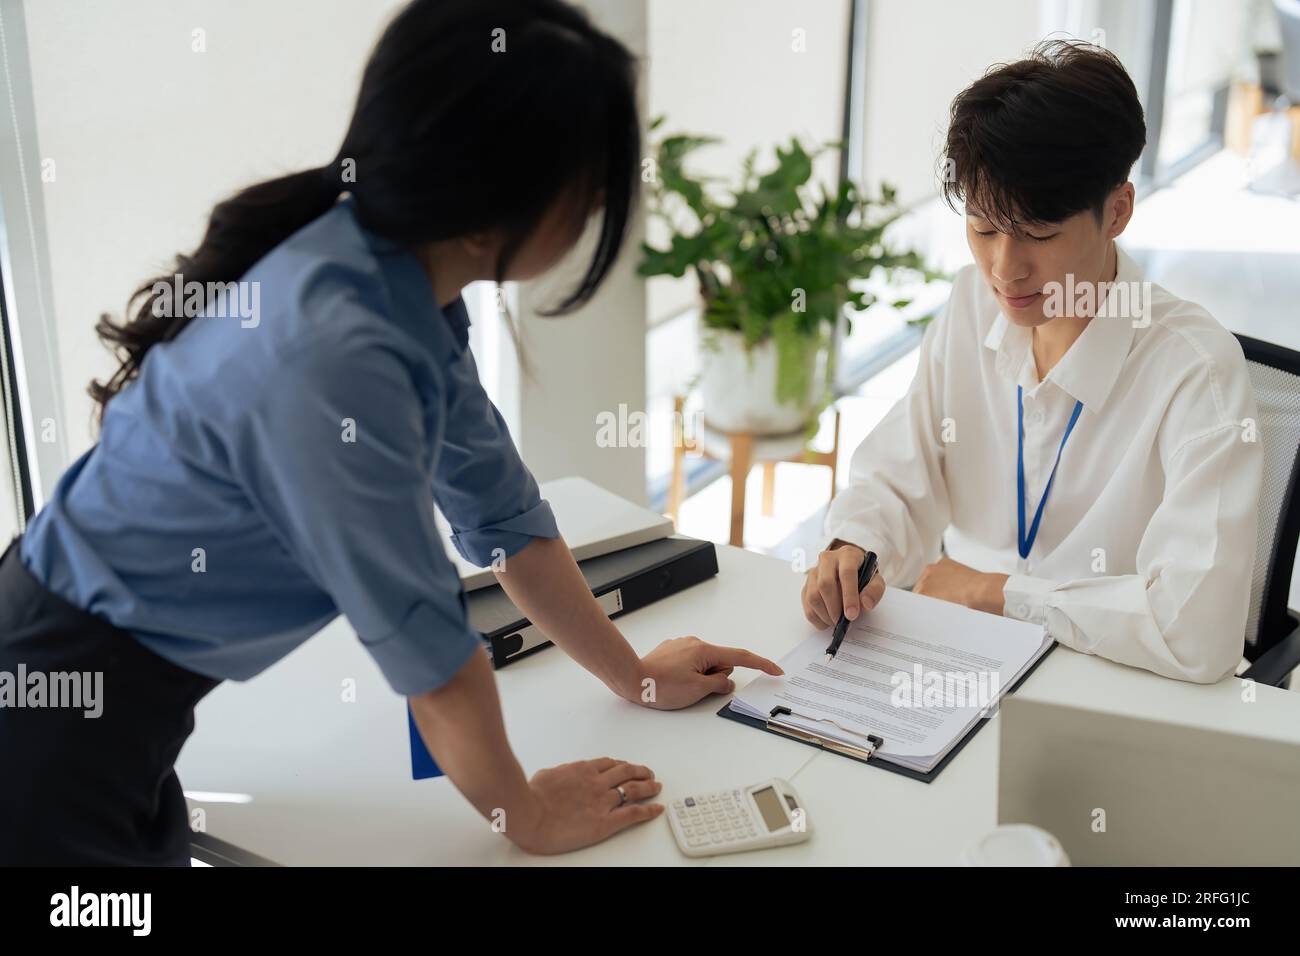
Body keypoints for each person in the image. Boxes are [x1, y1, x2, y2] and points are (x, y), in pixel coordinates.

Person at [0, 0, 781, 866]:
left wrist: (632, 675)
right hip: (53, 717)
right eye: (589, 192)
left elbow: (507, 523)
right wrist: (525, 815)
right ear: (492, 206)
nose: (596, 212)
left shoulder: (402, 282)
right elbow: (437, 666)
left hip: (119, 694)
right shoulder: (339, 354)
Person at [801, 40, 1263, 684]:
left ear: (1118, 212)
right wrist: (855, 544)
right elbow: (901, 479)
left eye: (1039, 235)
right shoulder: (971, 305)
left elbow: (1196, 630)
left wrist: (997, 593)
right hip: (957, 663)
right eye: (984, 228)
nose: (1004, 269)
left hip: (1117, 684)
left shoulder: (1197, 373)